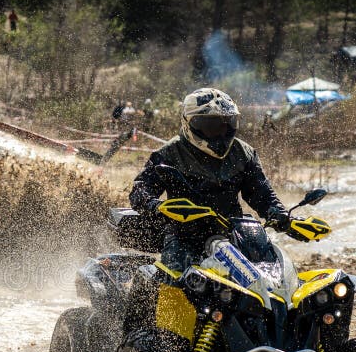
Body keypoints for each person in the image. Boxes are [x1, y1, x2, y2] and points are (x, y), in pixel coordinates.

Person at [129, 88, 305, 271]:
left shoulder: (243, 153)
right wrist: (156, 206)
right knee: (174, 275)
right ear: (190, 123)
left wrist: (279, 214)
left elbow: (261, 193)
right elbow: (140, 190)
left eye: (227, 125)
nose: (221, 133)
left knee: (269, 269)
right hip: (185, 234)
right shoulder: (168, 154)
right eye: (211, 126)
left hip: (235, 231)